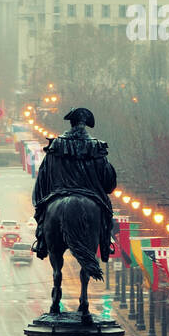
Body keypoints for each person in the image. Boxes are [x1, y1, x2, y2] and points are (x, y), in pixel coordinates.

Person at [32, 106, 116, 263]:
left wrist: (42, 197)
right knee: (107, 215)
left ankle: (42, 243)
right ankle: (105, 245)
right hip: (91, 193)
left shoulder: (56, 145)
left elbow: (44, 174)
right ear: (85, 125)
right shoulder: (97, 146)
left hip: (59, 192)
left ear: (71, 124)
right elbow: (108, 179)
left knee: (44, 214)